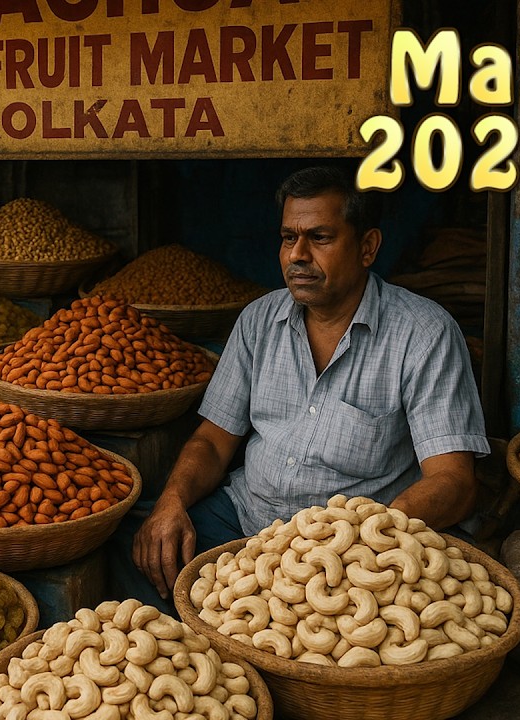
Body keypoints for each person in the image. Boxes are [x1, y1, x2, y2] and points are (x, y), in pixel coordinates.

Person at [128, 166, 489, 606]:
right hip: (245, 516)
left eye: (319, 237)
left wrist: (363, 539)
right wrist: (171, 501)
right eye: (287, 237)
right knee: (144, 553)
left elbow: (453, 479)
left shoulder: (424, 334)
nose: (297, 254)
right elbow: (212, 440)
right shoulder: (257, 321)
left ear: (368, 247)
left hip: (355, 550)